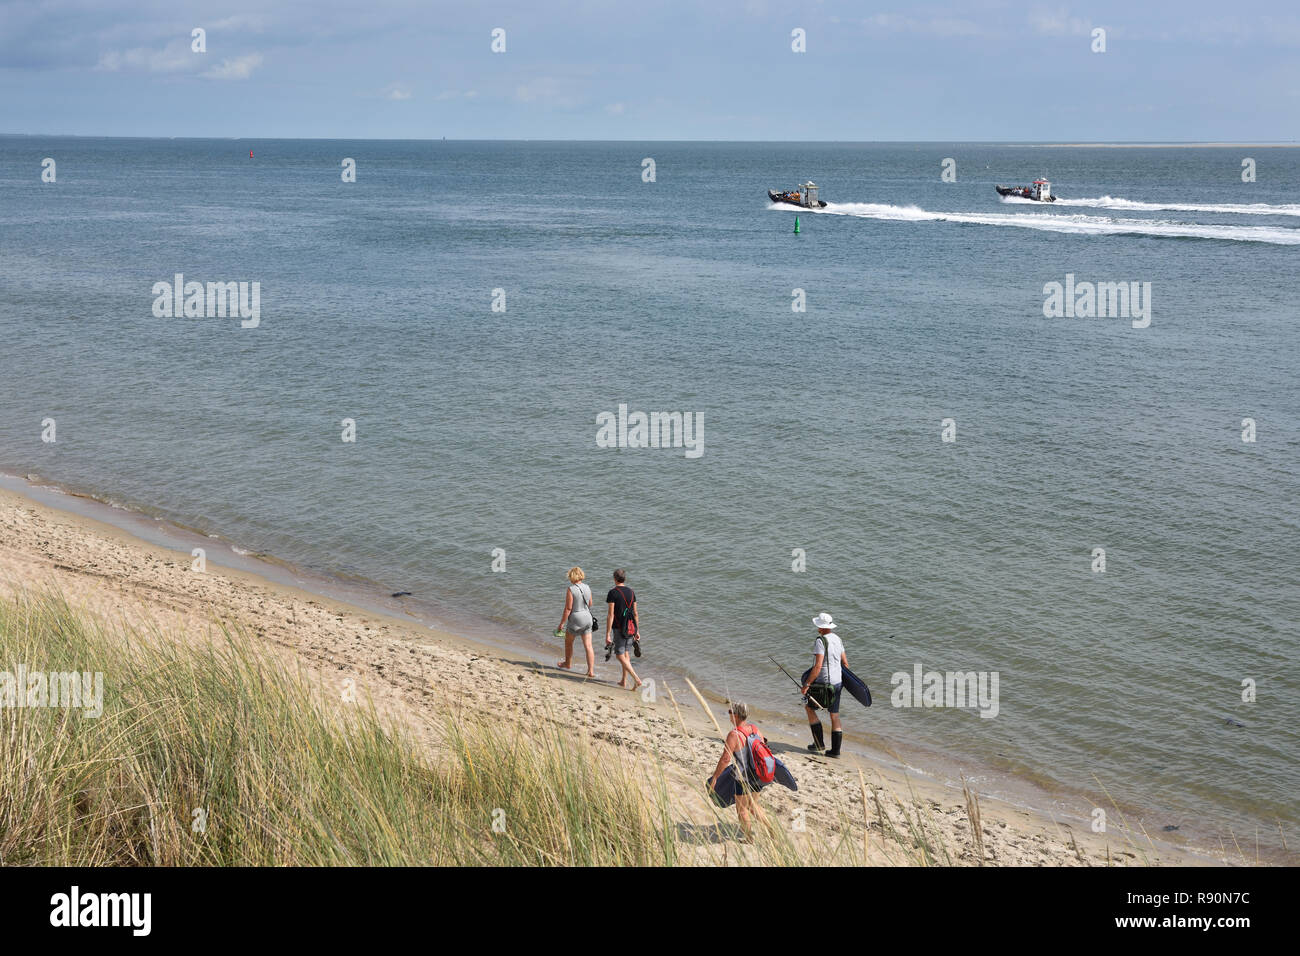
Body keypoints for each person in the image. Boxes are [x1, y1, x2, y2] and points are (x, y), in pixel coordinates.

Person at [708, 701, 770, 841]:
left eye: (730, 712)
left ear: (736, 715)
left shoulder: (734, 734)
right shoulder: (755, 729)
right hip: (758, 774)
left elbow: (725, 759)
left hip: (743, 777)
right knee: (753, 806)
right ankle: (771, 829)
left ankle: (748, 838)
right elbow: (764, 747)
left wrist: (715, 778)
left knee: (742, 810)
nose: (729, 715)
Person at [799, 611, 848, 757]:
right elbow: (845, 663)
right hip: (838, 683)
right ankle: (835, 751)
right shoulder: (838, 639)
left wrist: (807, 684)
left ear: (820, 627)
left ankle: (819, 744)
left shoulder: (820, 641)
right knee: (834, 715)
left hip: (824, 684)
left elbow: (818, 666)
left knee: (809, 708)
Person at [604, 568, 642, 690]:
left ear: (615, 578)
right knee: (626, 653)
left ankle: (636, 679)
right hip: (630, 626)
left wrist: (607, 634)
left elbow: (611, 615)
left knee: (619, 655)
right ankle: (623, 681)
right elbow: (635, 613)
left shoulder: (613, 593)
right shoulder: (631, 592)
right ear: (624, 579)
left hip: (619, 627)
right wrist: (637, 630)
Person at [555, 567, 595, 678]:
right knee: (588, 646)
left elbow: (568, 608)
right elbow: (590, 603)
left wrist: (562, 624)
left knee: (568, 642)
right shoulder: (587, 587)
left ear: (572, 577)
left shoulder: (571, 589)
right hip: (588, 617)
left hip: (576, 618)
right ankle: (591, 671)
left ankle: (567, 663)